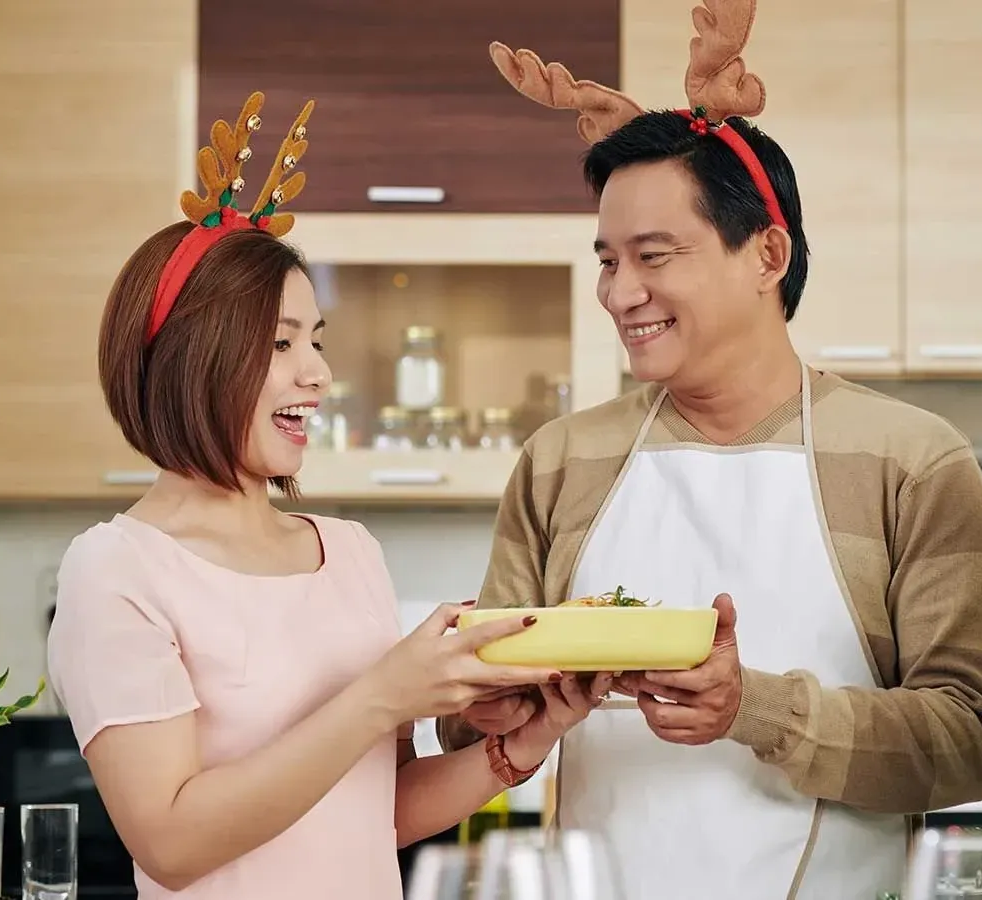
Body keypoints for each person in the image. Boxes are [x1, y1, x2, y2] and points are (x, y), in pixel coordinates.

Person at [437, 2, 982, 898]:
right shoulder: (559, 462)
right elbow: (479, 737)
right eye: (606, 259)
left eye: (654, 255)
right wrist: (488, 709)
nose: (620, 292)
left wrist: (756, 709)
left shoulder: (911, 461)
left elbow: (971, 741)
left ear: (767, 253)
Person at [45, 91, 611, 900]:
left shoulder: (347, 552)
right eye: (280, 344)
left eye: (316, 340)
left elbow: (376, 814)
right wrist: (383, 696)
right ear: (191, 360)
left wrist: (523, 746)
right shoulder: (117, 569)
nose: (318, 373)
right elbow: (170, 840)